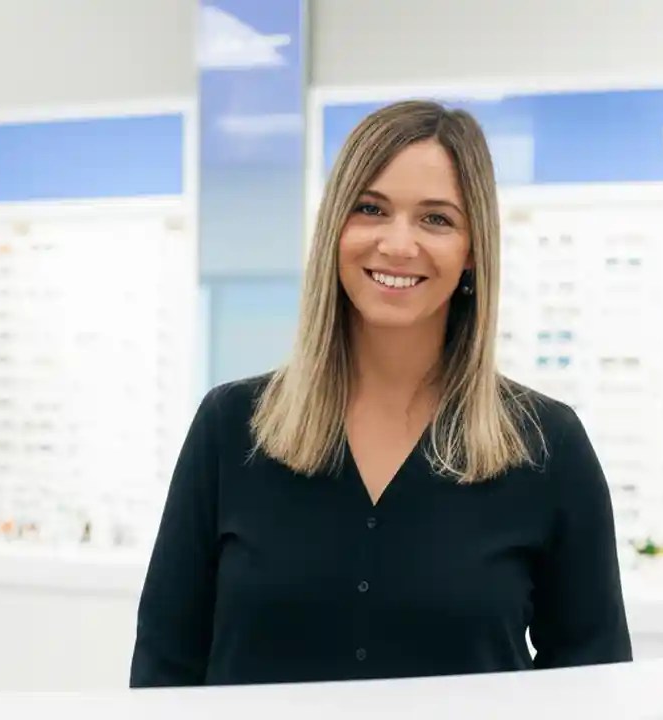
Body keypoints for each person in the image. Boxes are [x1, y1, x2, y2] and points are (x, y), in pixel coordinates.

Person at [130, 100, 631, 688]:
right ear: (334, 228)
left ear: (473, 250)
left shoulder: (547, 445)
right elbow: (165, 668)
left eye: (436, 219)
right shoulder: (231, 427)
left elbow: (594, 685)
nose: (398, 244)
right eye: (371, 209)